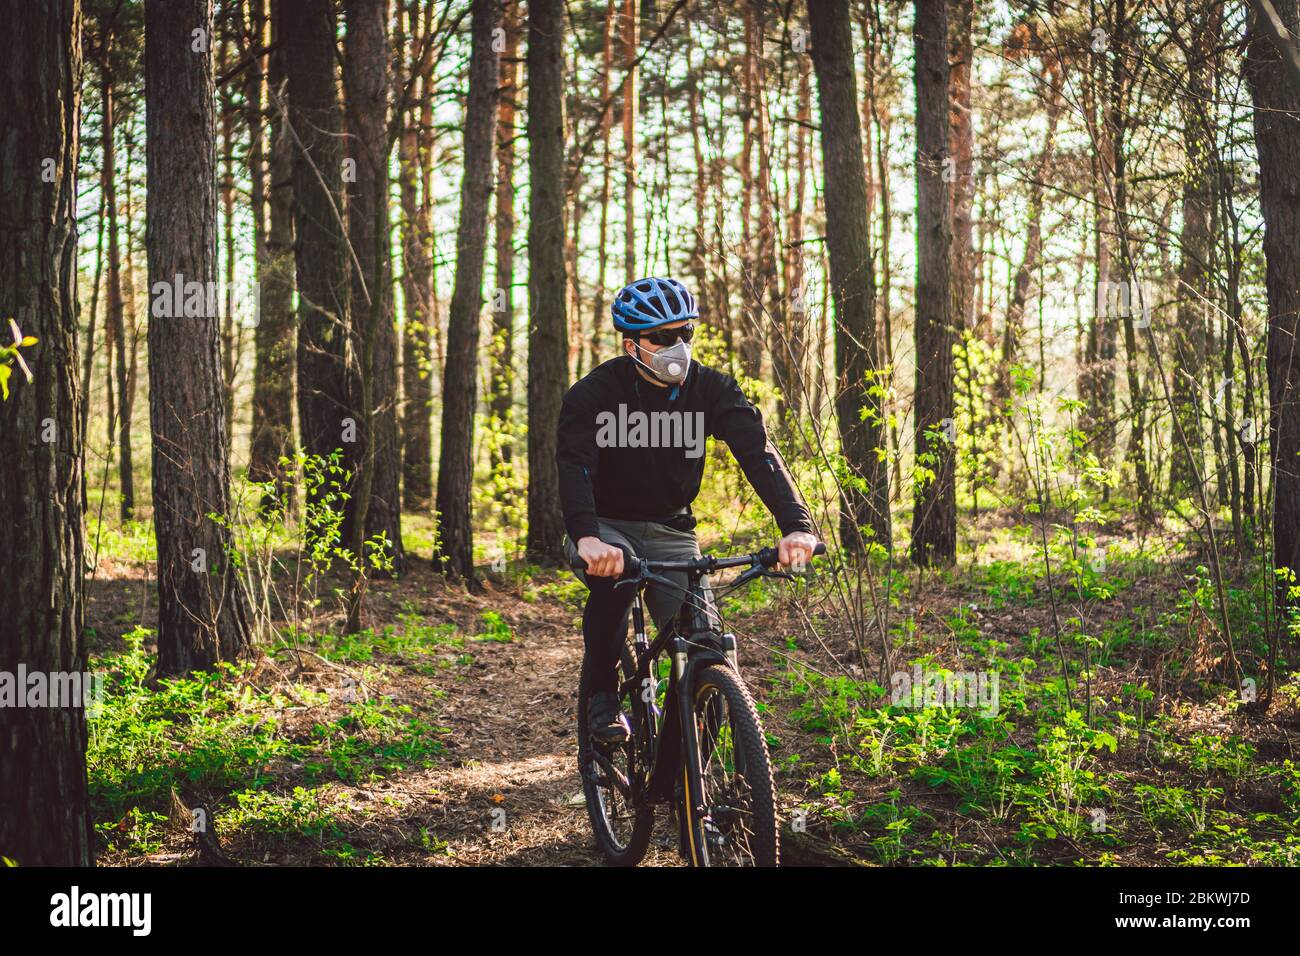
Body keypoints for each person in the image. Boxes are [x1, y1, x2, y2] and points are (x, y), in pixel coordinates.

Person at [556, 276, 819, 743]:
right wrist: (588, 538)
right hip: (604, 527)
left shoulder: (710, 389)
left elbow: (759, 454)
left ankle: (688, 755)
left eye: (685, 333)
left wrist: (797, 526)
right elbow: (574, 466)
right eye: (662, 337)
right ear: (632, 344)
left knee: (704, 641)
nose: (677, 346)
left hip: (671, 527)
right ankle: (601, 695)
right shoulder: (594, 394)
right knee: (613, 584)